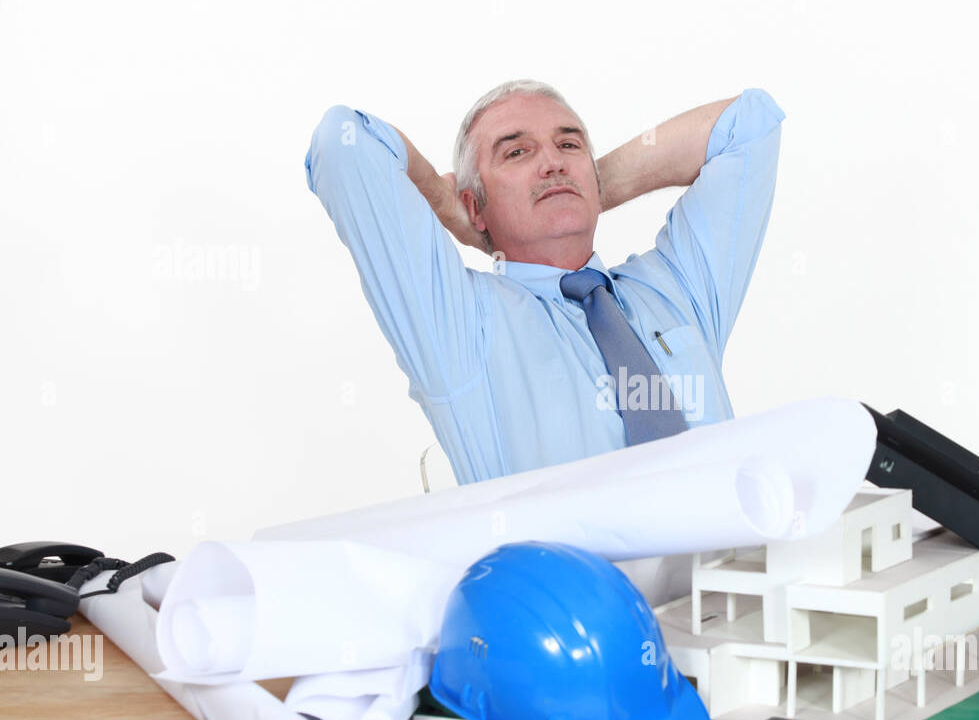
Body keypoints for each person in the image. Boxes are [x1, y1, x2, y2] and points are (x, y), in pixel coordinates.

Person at [305, 80, 785, 485]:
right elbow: (342, 140)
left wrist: (591, 188)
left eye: (569, 145)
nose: (553, 162)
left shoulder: (676, 288)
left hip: (733, 588)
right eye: (517, 151)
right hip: (568, 595)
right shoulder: (461, 324)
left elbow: (749, 125)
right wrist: (447, 204)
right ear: (476, 203)